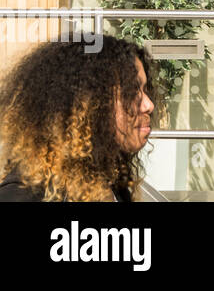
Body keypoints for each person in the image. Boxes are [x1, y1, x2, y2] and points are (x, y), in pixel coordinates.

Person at [0, 34, 156, 202]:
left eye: (144, 89)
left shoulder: (113, 179)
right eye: (131, 92)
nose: (149, 105)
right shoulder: (24, 195)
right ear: (85, 103)